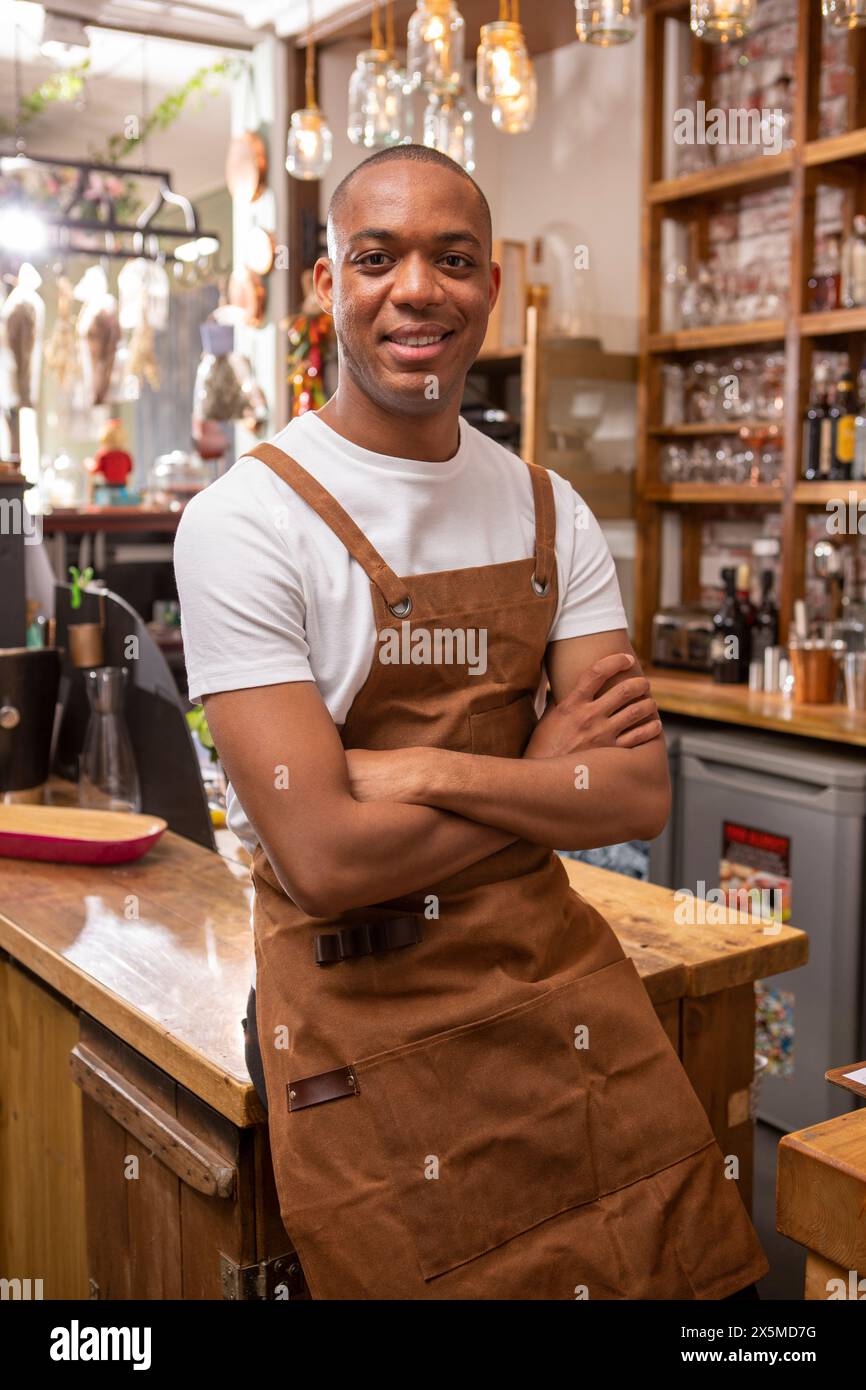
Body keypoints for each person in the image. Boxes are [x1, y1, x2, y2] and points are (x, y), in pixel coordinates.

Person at [174, 146, 768, 1301]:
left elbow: (638, 796)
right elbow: (326, 858)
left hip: (552, 989)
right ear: (322, 286)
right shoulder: (244, 522)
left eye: (451, 260)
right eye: (375, 257)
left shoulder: (552, 510)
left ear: (489, 286)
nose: (416, 290)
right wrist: (542, 779)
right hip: (357, 1010)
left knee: (707, 1288)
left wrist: (421, 770)